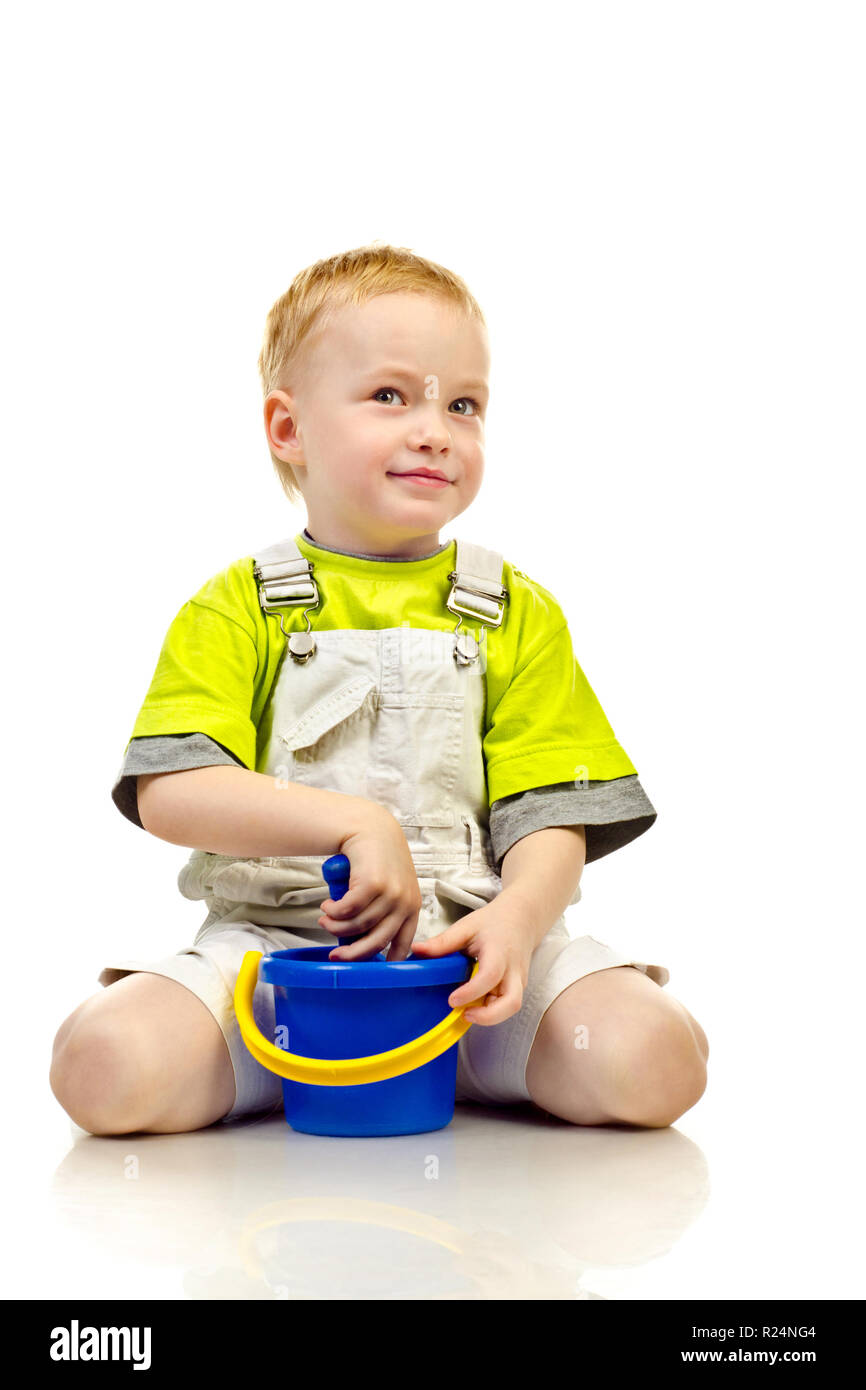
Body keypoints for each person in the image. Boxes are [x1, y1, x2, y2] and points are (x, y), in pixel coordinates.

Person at [50, 243, 709, 1137]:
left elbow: (554, 813)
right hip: (279, 965)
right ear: (288, 429)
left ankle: (472, 1057)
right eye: (391, 395)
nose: (435, 428)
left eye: (463, 404)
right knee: (102, 1068)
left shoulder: (515, 611)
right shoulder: (237, 607)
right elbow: (173, 792)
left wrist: (514, 926)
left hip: (468, 962)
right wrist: (357, 824)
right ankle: (286, 1058)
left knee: (656, 1063)